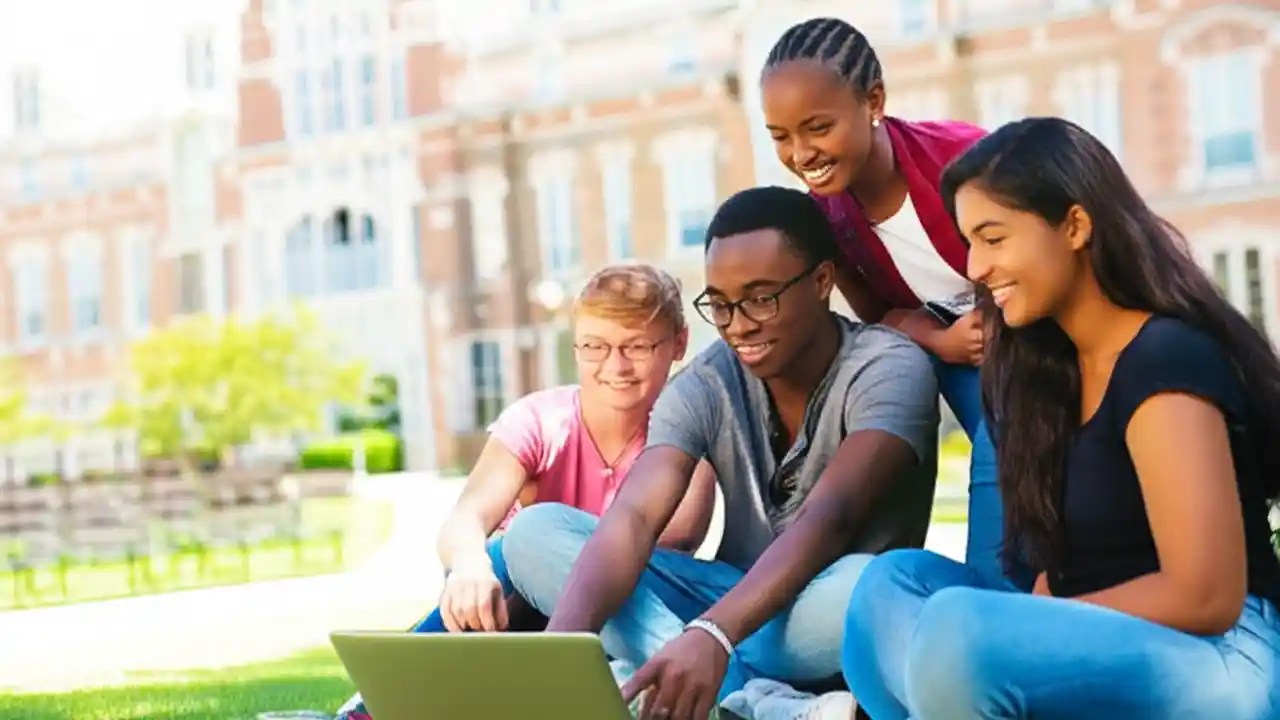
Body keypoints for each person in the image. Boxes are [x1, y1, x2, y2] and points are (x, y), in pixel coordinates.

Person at [841, 118, 1280, 719]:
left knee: (955, 630)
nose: (974, 268)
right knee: (887, 590)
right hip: (1104, 639)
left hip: (1221, 660)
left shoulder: (1164, 358)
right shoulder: (1043, 375)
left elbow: (1207, 595)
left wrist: (1050, 614)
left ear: (1074, 225)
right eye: (969, 243)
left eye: (993, 239)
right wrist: (1045, 609)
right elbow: (1042, 578)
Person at [499, 186, 940, 720]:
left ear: (822, 281)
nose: (738, 324)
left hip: (821, 613)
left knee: (874, 582)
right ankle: (751, 704)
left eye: (760, 298)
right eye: (721, 304)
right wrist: (560, 653)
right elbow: (635, 517)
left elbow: (833, 517)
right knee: (533, 534)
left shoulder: (888, 367)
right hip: (724, 598)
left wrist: (714, 631)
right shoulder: (707, 381)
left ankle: (655, 678)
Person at [334, 264, 717, 720]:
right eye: (595, 346)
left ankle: (377, 704)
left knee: (535, 549)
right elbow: (467, 516)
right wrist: (470, 564)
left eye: (636, 346)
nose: (615, 366)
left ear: (678, 344)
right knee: (494, 555)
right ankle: (389, 700)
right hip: (517, 617)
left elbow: (658, 558)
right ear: (576, 346)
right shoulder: (541, 420)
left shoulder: (688, 432)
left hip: (629, 620)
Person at [759, 17, 1030, 590]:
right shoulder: (828, 216)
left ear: (873, 101)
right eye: (781, 136)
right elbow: (877, 318)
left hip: (1029, 334)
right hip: (955, 350)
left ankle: (992, 599)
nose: (801, 152)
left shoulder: (963, 160)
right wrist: (940, 340)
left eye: (817, 127)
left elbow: (1041, 252)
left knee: (1008, 433)